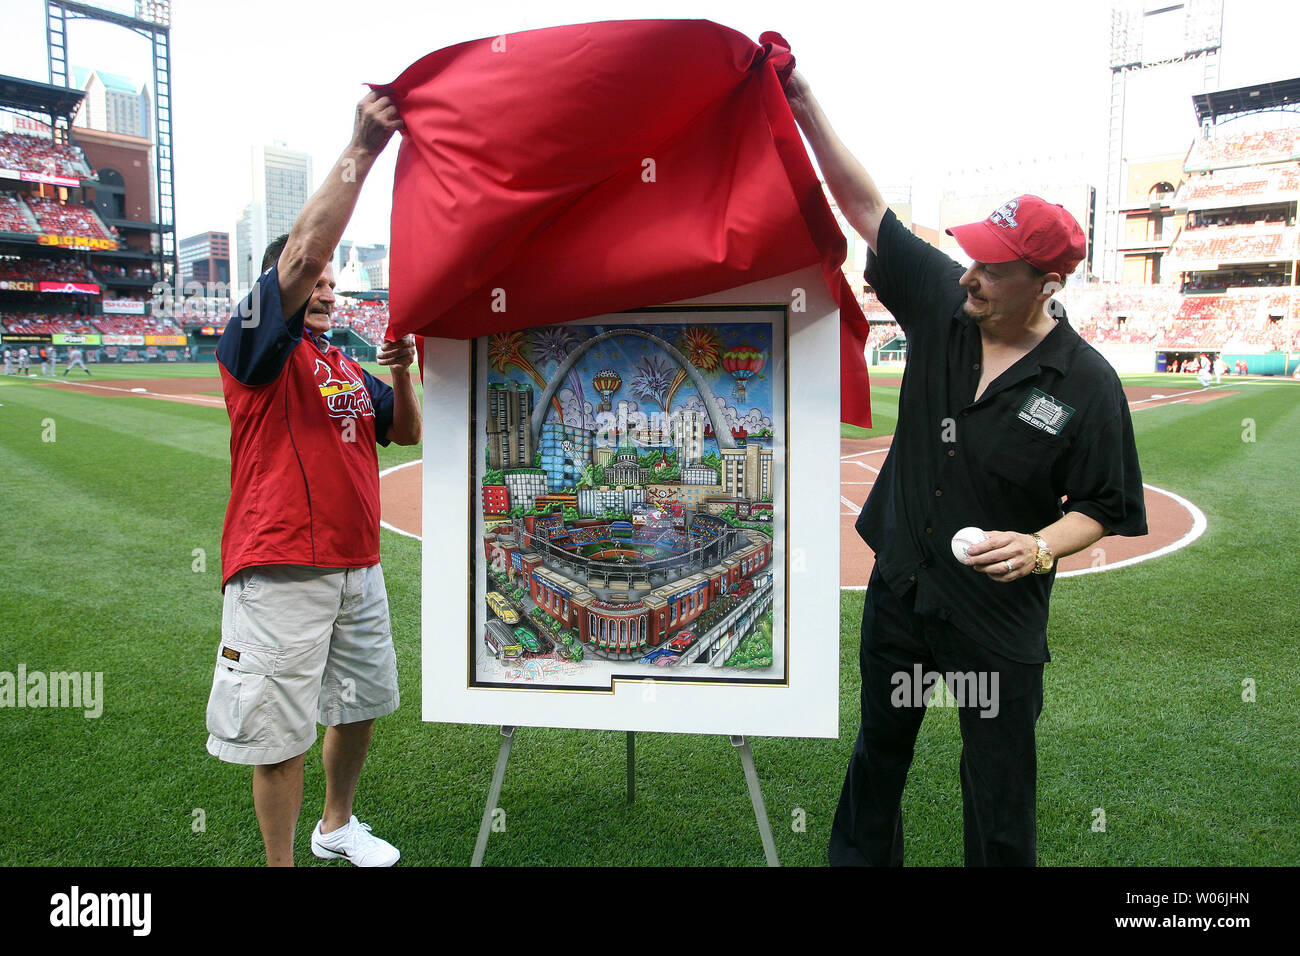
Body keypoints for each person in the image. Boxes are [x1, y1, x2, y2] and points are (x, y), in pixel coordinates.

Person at [785, 70, 1147, 866]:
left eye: (992, 267)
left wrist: (1043, 545)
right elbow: (864, 207)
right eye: (972, 256)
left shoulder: (1086, 385)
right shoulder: (944, 306)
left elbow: (1103, 502)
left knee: (998, 786)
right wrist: (803, 103)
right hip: (904, 593)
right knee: (879, 756)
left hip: (994, 622)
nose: (970, 274)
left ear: (1046, 284)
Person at [204, 90, 418, 867]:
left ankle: (337, 827)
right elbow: (297, 255)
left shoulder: (342, 365)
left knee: (359, 704)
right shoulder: (256, 337)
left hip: (358, 563)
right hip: (282, 563)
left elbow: (404, 431)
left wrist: (404, 373)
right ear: (285, 290)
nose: (327, 286)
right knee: (279, 730)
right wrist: (362, 146)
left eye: (334, 281)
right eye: (316, 279)